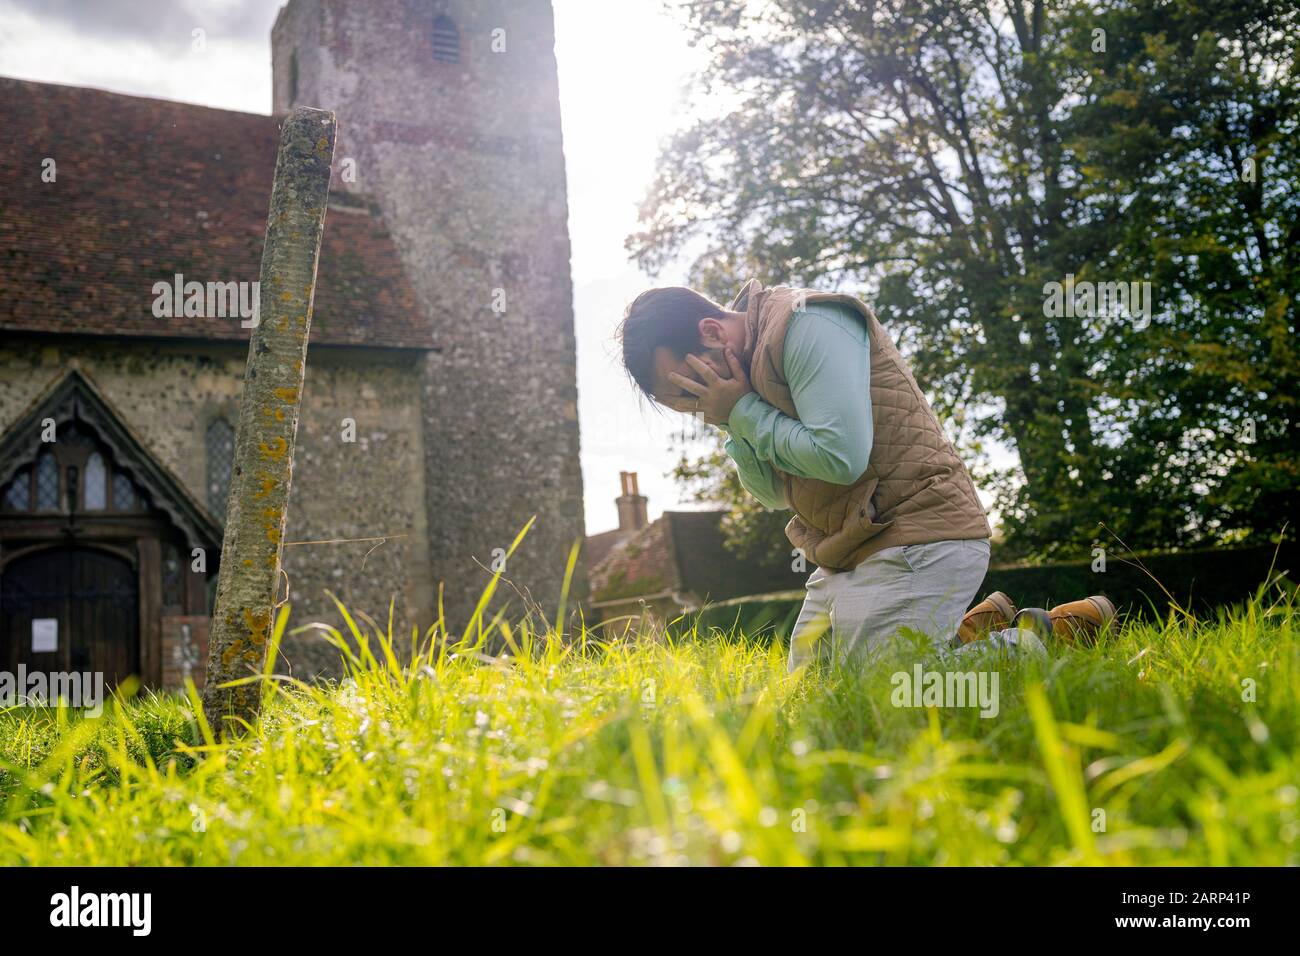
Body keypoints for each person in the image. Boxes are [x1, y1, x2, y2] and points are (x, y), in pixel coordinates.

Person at [616, 278, 1115, 670]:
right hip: (850, 549)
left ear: (710, 332)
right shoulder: (740, 382)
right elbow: (771, 494)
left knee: (888, 690)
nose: (695, 406)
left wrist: (743, 410)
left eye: (687, 389)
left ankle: (1056, 633)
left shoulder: (808, 322)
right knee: (816, 694)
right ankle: (966, 634)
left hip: (918, 531)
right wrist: (734, 417)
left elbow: (841, 458)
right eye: (681, 401)